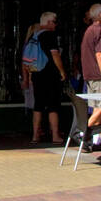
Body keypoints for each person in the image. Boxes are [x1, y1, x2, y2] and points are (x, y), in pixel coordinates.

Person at [25, 11, 67, 143]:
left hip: (37, 74)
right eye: (54, 21)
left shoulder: (34, 36)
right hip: (50, 75)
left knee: (38, 105)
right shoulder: (49, 35)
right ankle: (55, 135)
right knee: (53, 105)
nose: (55, 24)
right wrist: (62, 71)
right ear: (48, 22)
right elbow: (55, 55)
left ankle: (35, 136)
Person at [79, 4, 101, 141]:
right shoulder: (99, 30)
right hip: (97, 75)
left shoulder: (88, 31)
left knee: (96, 107)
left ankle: (98, 139)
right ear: (100, 15)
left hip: (89, 75)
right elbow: (99, 54)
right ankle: (83, 131)